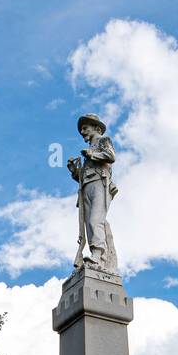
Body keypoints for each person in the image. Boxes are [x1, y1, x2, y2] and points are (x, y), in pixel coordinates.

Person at [67, 113, 116, 264]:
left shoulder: (103, 141)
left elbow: (111, 156)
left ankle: (98, 254)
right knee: (88, 223)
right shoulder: (90, 149)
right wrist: (75, 172)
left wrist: (92, 154)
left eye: (85, 128)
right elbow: (83, 175)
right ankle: (95, 254)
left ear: (96, 128)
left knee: (96, 220)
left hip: (100, 183)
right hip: (87, 186)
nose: (82, 132)